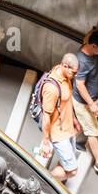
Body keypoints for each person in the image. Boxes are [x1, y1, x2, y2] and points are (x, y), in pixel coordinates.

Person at [72, 30, 98, 182]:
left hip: (93, 97)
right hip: (84, 103)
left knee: (88, 126)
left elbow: (93, 68)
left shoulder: (90, 52)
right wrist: (91, 104)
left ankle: (77, 142)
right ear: (93, 46)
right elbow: (79, 85)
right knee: (93, 131)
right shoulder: (82, 61)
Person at [38, 53, 82, 183]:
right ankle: (43, 180)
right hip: (58, 133)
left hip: (67, 128)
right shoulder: (52, 88)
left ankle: (58, 177)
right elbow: (46, 117)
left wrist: (73, 119)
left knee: (66, 161)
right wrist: (45, 143)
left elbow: (66, 101)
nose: (75, 76)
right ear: (65, 66)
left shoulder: (64, 75)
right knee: (72, 171)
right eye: (73, 72)